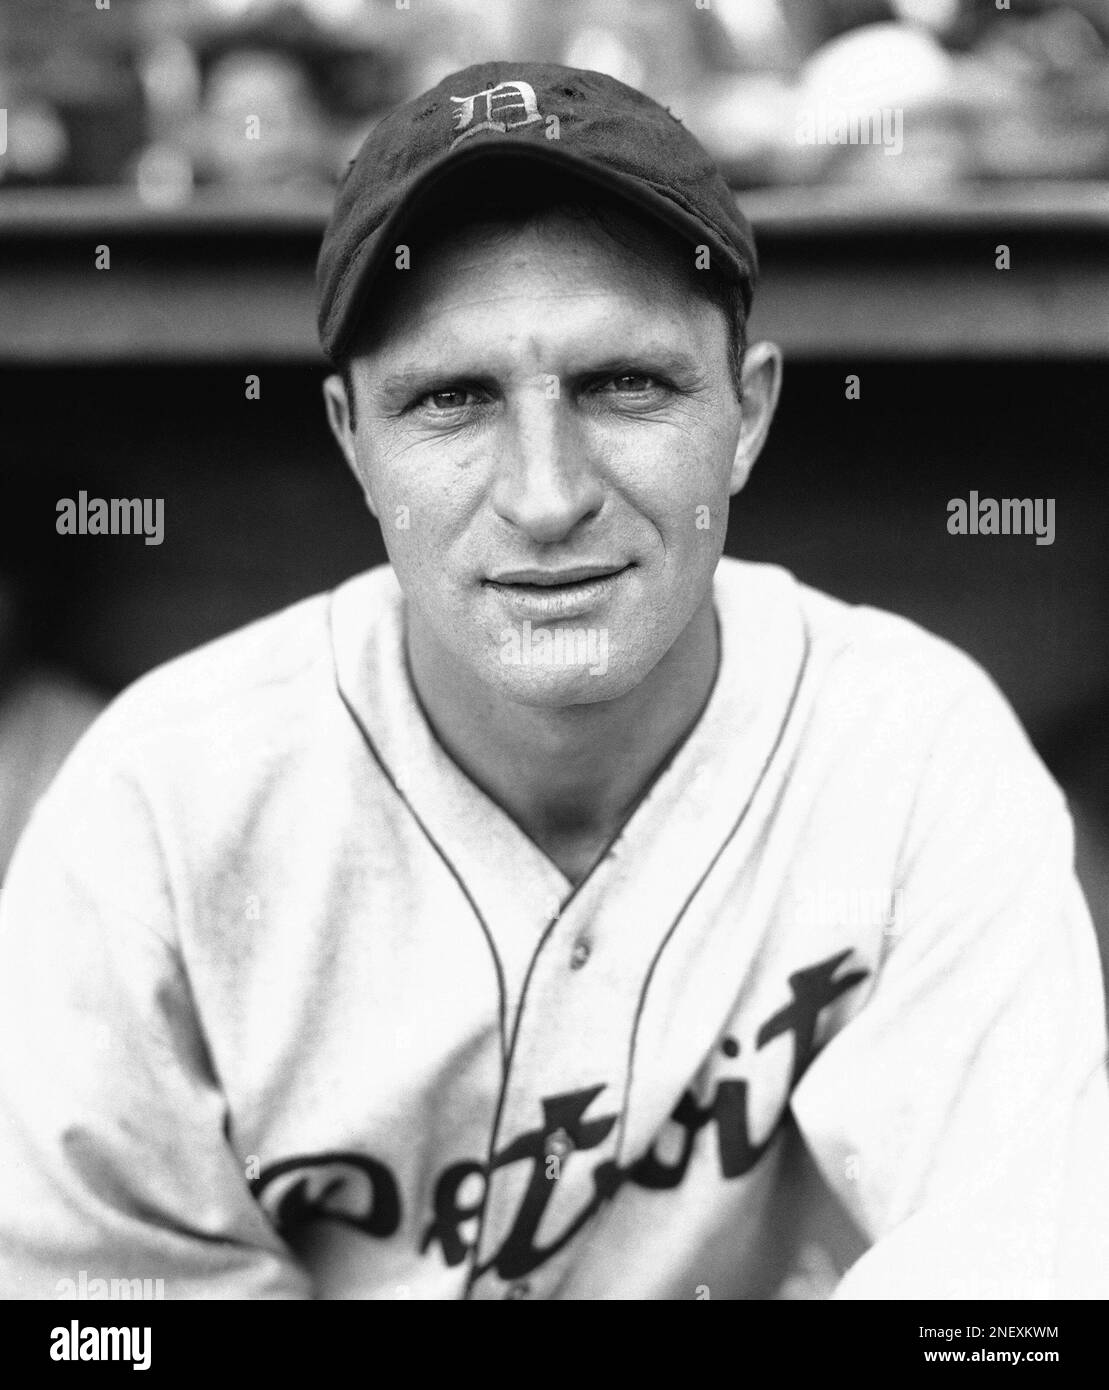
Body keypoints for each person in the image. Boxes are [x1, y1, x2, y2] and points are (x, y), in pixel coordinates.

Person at [0, 60, 1106, 1301]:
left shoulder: (912, 757)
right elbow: (89, 1328)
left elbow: (1015, 1308)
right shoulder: (159, 806)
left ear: (742, 416)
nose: (545, 494)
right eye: (452, 399)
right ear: (350, 441)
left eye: (625, 384)